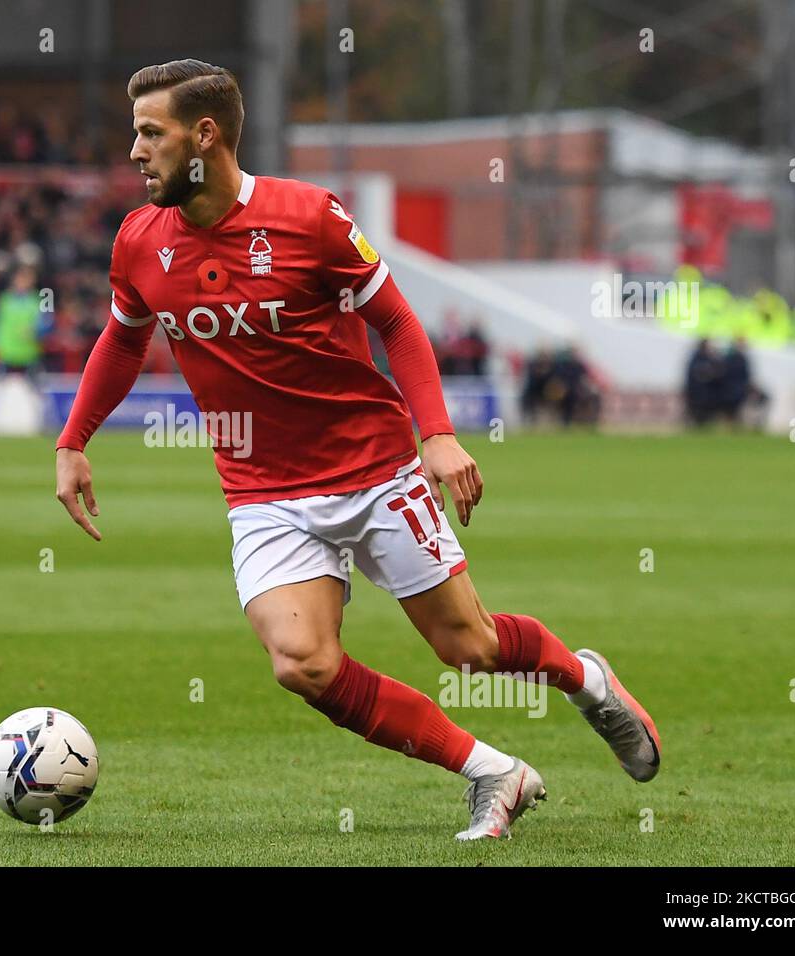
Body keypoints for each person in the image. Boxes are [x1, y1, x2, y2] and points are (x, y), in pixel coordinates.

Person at [53, 60, 661, 841]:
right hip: (263, 491)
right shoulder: (139, 240)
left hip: (374, 470)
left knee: (468, 649)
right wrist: (73, 441)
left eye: (149, 132)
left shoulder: (310, 218)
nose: (134, 152)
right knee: (302, 663)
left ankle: (586, 679)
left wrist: (436, 436)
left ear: (205, 136)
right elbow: (122, 340)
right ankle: (493, 772)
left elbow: (400, 324)